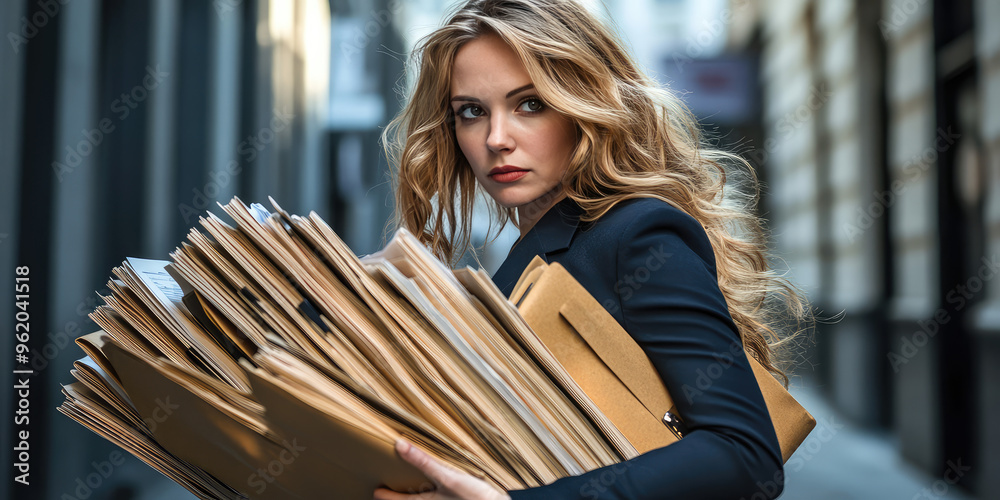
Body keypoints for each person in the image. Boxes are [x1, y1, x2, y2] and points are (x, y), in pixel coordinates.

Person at [374, 0, 812, 499]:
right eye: (471, 112)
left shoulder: (637, 234)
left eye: (530, 104)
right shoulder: (533, 252)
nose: (496, 139)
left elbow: (746, 457)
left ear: (583, 106)